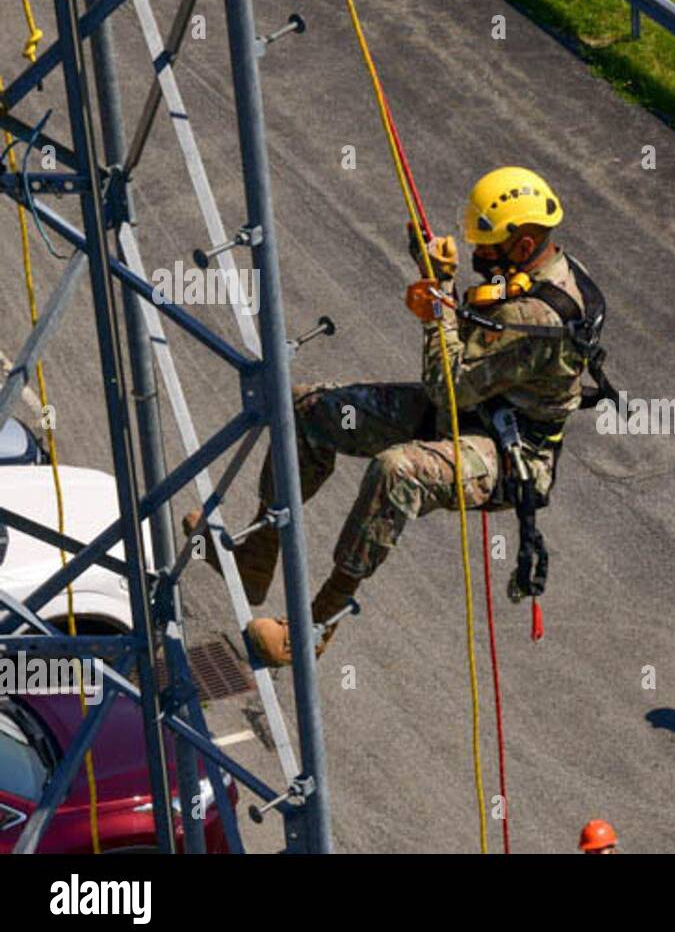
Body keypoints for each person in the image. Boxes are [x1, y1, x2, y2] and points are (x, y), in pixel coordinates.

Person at [185, 167, 603, 665]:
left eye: (489, 247)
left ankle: (315, 627)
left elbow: (446, 386)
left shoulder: (540, 315)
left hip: (510, 456)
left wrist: (438, 302)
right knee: (310, 410)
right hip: (478, 411)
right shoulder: (537, 271)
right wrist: (437, 279)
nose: (479, 256)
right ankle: (257, 554)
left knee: (397, 471)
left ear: (525, 242)